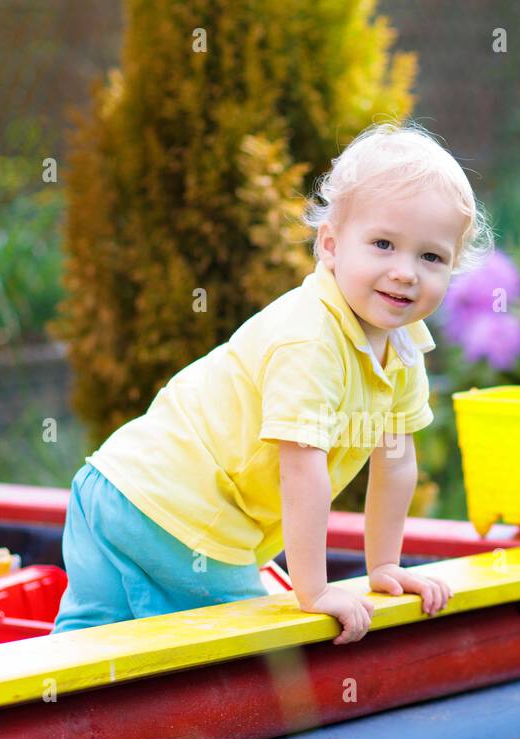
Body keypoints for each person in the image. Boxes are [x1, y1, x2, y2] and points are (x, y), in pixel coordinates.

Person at [51, 120, 497, 642]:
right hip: (180, 511)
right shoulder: (311, 340)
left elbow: (396, 462)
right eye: (382, 244)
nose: (405, 272)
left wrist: (385, 566)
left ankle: (35, 713)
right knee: (250, 659)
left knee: (84, 643)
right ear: (330, 246)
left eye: (431, 257)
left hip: (113, 486)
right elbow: (302, 471)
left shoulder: (403, 349)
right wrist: (314, 591)